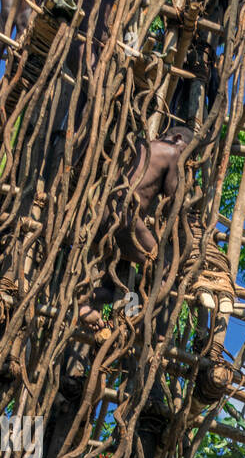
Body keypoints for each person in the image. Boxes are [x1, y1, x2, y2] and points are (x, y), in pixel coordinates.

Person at [79, 126, 195, 331]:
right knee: (164, 267)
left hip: (103, 212)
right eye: (187, 153)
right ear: (177, 139)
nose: (185, 160)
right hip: (126, 217)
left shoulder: (142, 145)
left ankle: (82, 298)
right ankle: (144, 322)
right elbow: (173, 202)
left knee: (112, 285)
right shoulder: (171, 152)